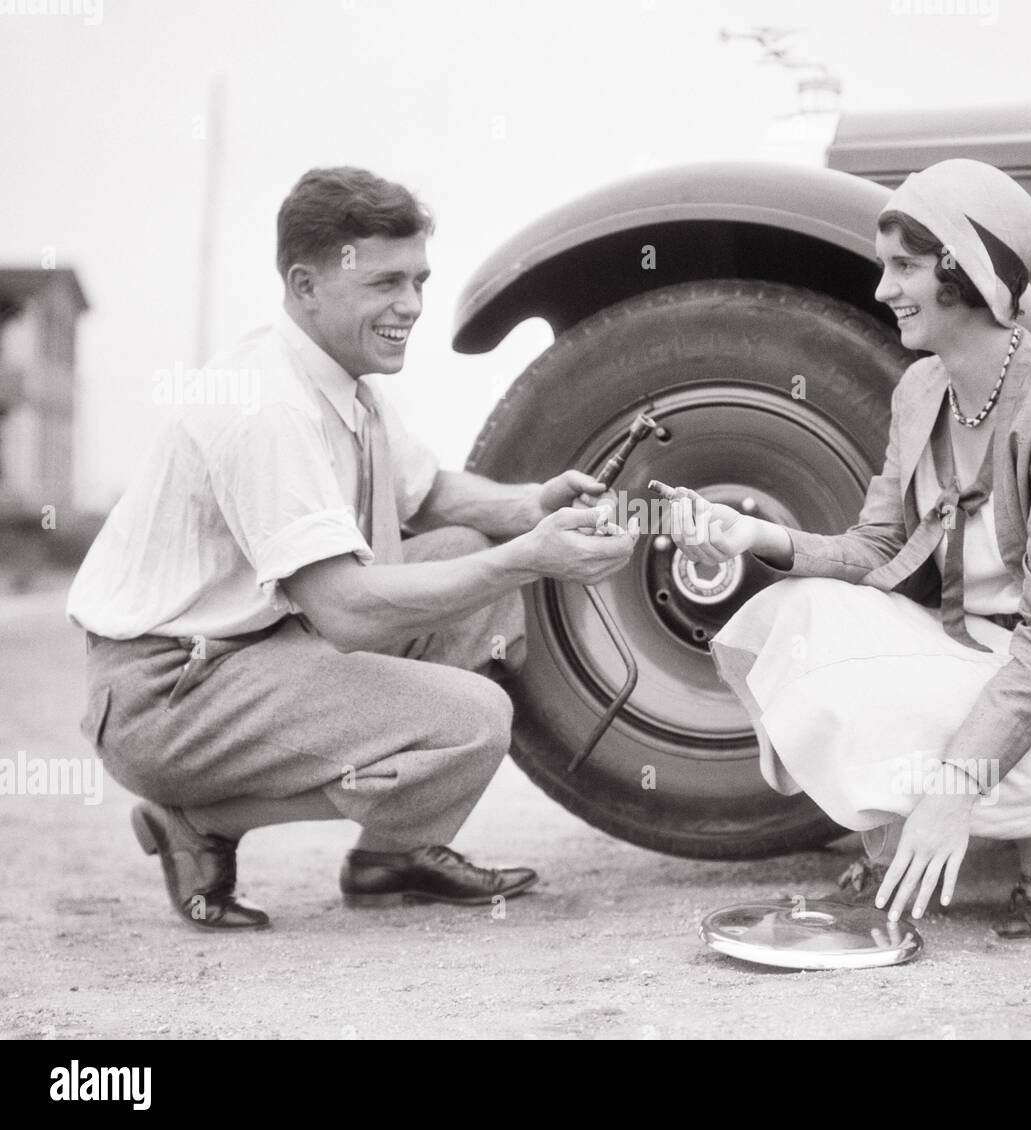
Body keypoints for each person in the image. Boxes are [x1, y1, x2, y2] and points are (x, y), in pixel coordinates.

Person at [69, 166, 640, 931]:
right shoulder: (266, 406)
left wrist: (532, 506)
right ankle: (205, 823)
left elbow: (426, 493)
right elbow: (345, 612)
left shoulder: (340, 382)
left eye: (418, 280)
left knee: (468, 550)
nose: (410, 306)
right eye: (384, 284)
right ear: (307, 285)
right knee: (472, 720)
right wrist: (531, 554)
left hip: (245, 651)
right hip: (166, 690)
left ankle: (392, 857)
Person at [656, 158, 1031, 939]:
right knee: (800, 614)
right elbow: (879, 549)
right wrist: (754, 533)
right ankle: (925, 840)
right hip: (968, 659)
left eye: (904, 267)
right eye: (886, 267)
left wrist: (951, 789)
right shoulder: (920, 390)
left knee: (887, 712)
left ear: (966, 271)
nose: (883, 290)